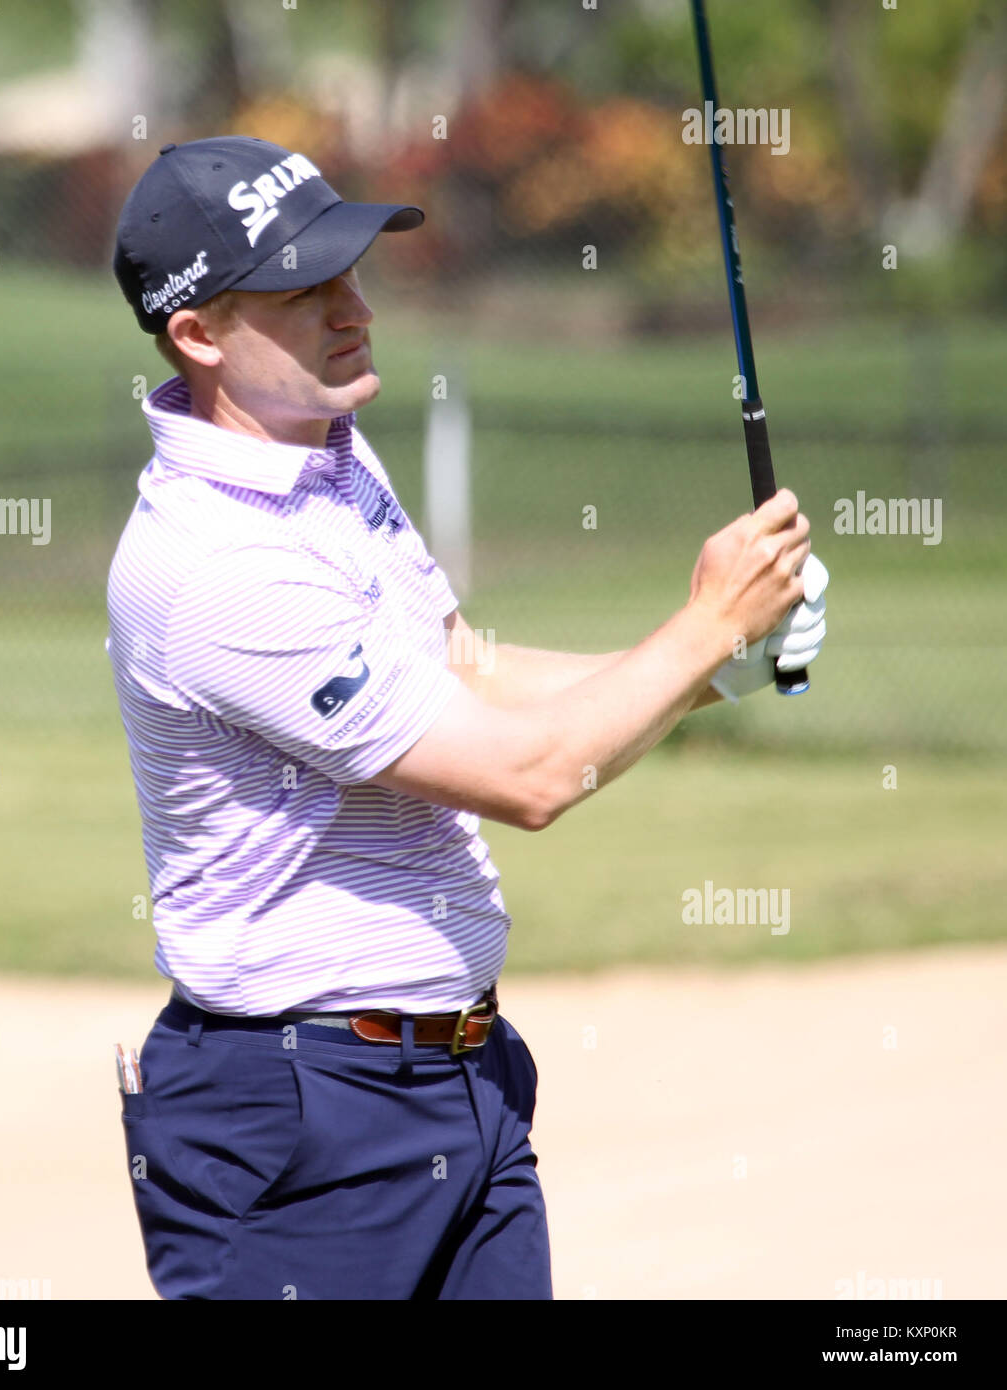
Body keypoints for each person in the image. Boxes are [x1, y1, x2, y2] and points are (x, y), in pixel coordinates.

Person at [107, 135, 828, 1301]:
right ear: (198, 334)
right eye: (306, 290)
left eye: (352, 272)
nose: (356, 310)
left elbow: (461, 672)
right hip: (304, 1125)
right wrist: (702, 625)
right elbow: (528, 777)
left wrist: (715, 668)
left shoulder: (333, 454)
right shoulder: (209, 564)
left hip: (467, 1082)